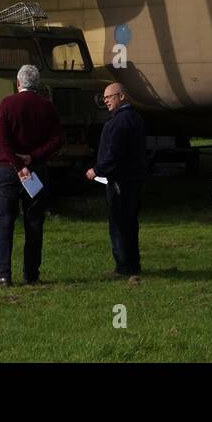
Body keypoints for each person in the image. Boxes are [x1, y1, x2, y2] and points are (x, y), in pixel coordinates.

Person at [0, 63, 64, 286]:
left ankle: (3, 275)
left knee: (5, 223)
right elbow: (57, 140)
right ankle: (31, 274)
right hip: (37, 171)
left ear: (18, 82)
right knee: (34, 223)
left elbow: (3, 140)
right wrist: (32, 158)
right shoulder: (48, 107)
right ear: (38, 85)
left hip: (9, 172)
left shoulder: (7, 104)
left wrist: (16, 164)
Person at [87, 82, 148, 278]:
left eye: (109, 96)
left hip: (120, 181)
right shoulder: (136, 118)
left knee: (119, 224)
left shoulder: (120, 122)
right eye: (103, 97)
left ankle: (124, 267)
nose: (105, 101)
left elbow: (114, 153)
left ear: (121, 96)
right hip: (134, 179)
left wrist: (96, 170)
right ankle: (133, 264)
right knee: (130, 223)